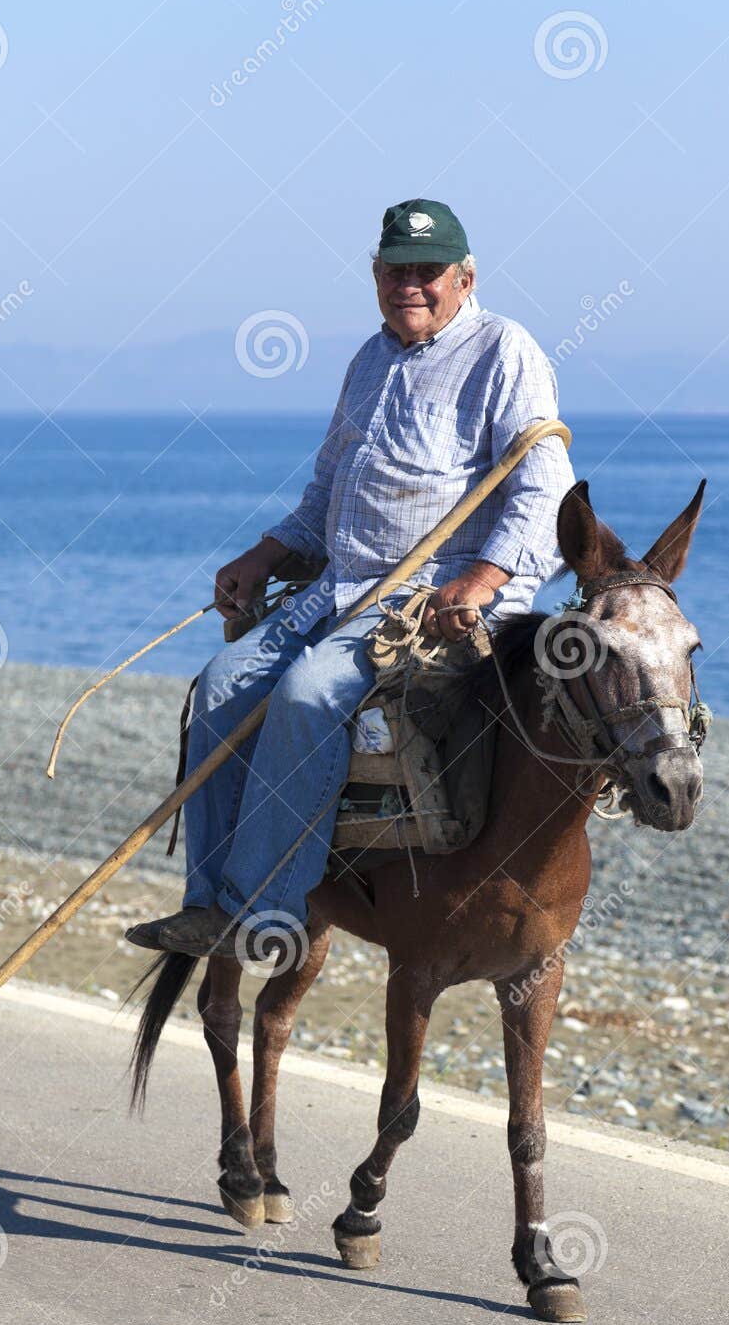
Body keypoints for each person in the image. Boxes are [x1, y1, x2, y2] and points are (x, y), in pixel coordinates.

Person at [127, 198, 574, 960]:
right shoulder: (368, 360)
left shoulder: (506, 350)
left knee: (307, 695)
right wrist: (263, 557)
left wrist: (485, 576)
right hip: (338, 587)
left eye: (427, 272)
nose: (411, 284)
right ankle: (206, 903)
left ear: (465, 278)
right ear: (375, 276)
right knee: (220, 684)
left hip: (423, 598)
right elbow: (325, 495)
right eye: (396, 269)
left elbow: (547, 488)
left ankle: (262, 910)